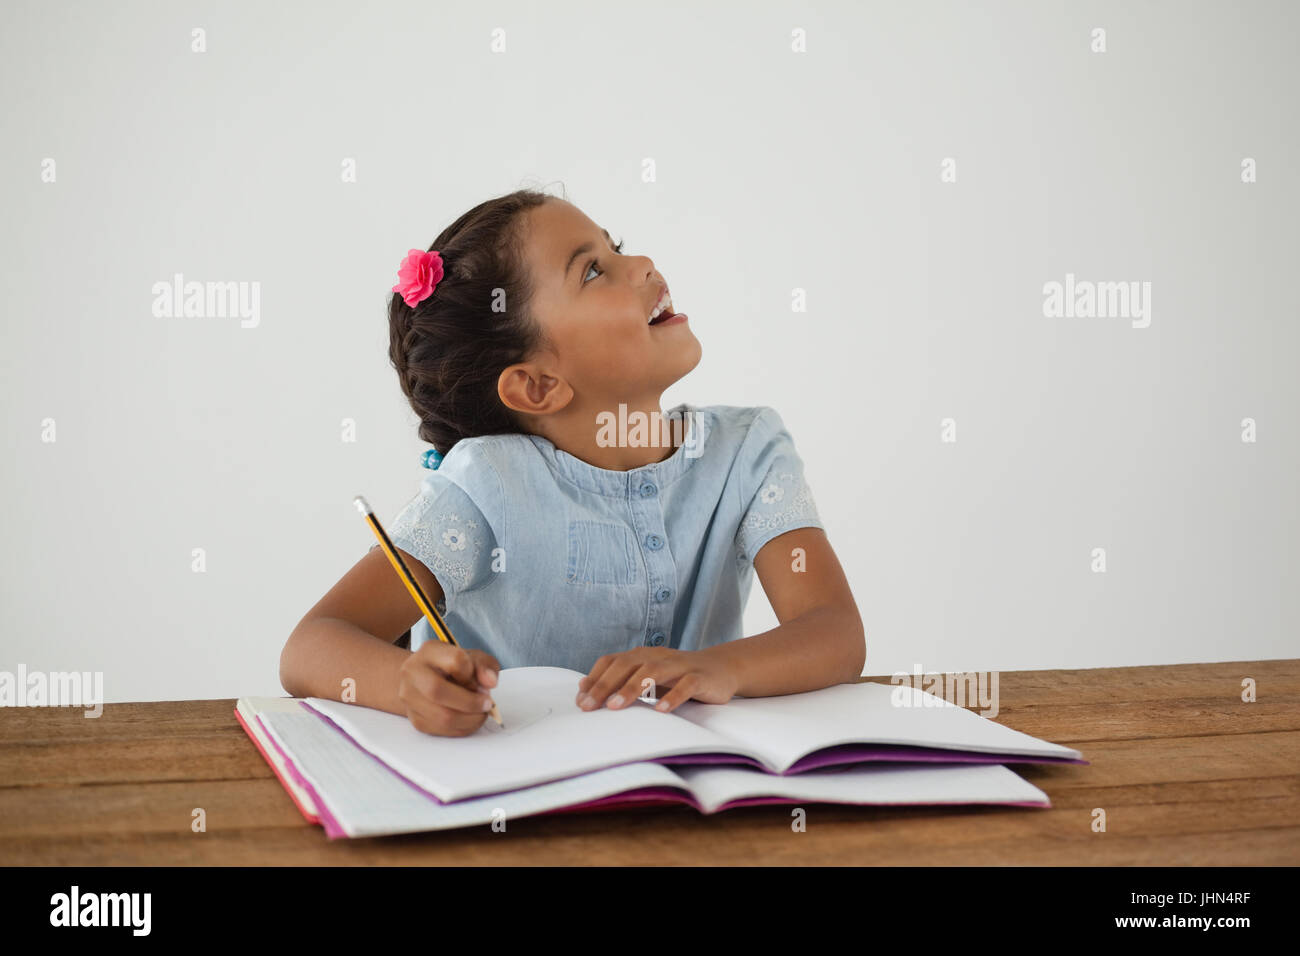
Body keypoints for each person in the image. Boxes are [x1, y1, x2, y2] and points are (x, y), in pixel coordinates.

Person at [280, 187, 865, 736]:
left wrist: (720, 667)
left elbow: (834, 631)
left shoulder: (747, 451)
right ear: (537, 386)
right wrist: (406, 685)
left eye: (615, 246)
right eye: (593, 270)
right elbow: (311, 645)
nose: (641, 264)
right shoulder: (489, 486)